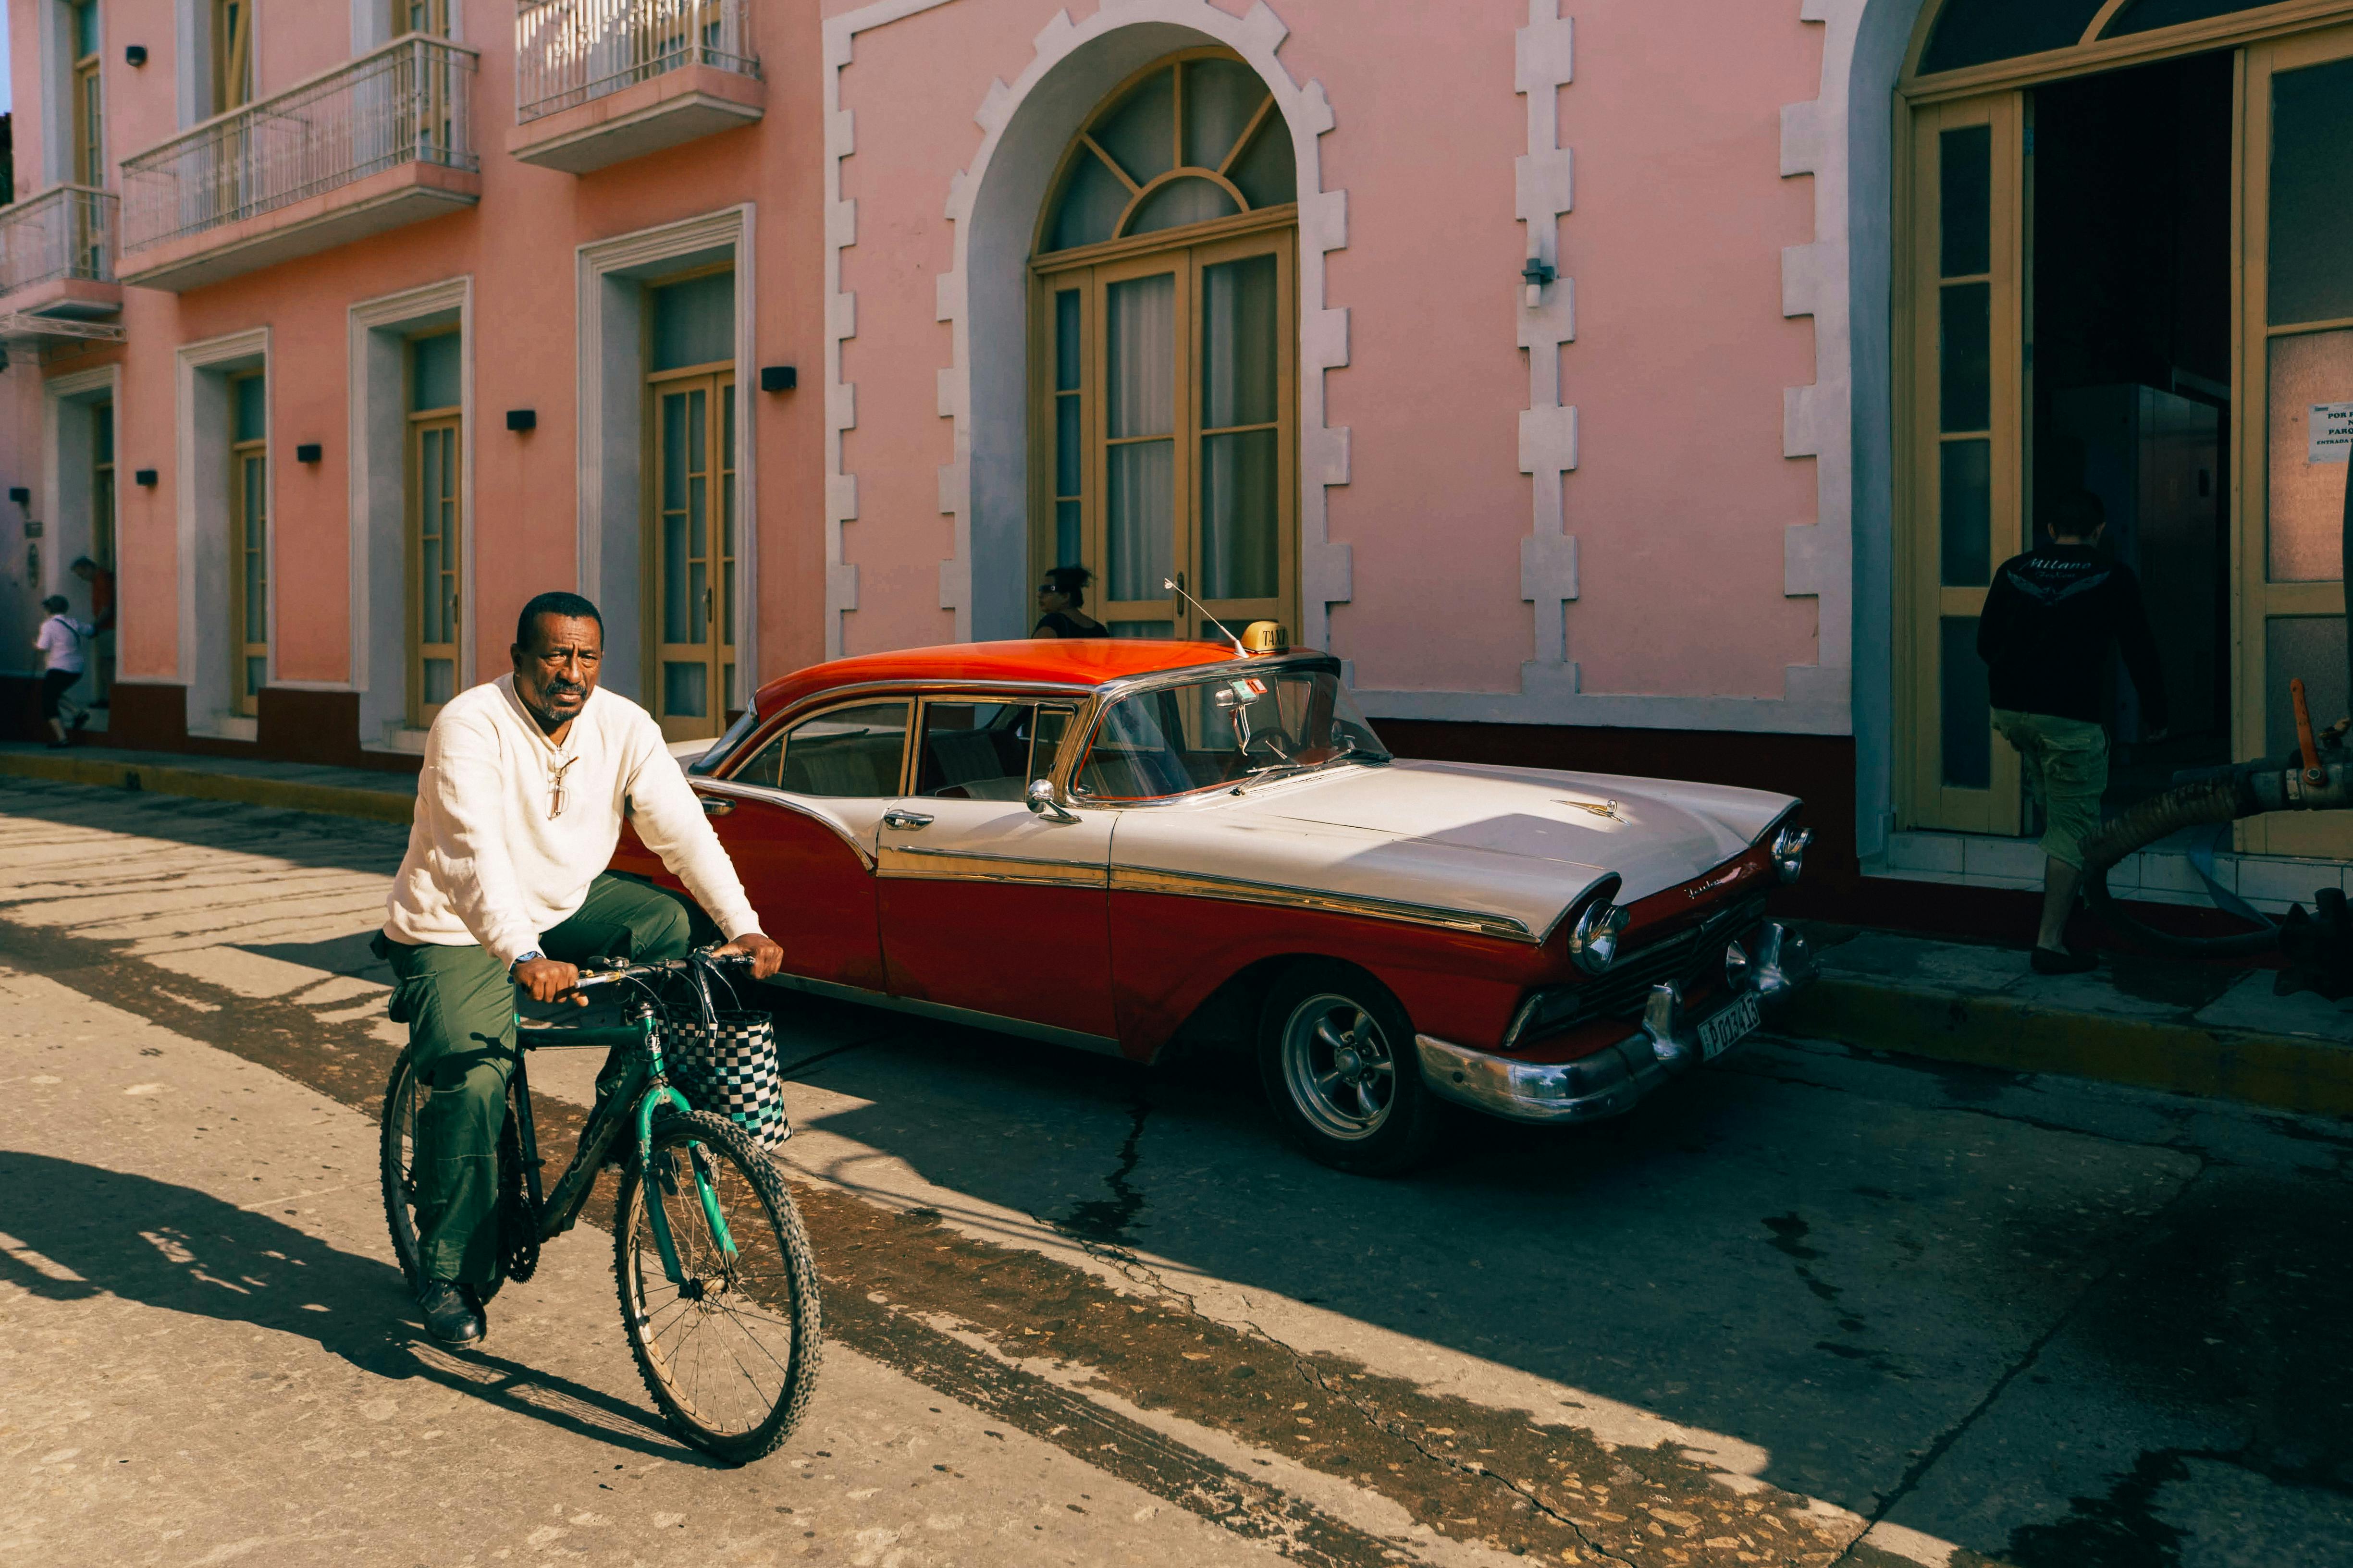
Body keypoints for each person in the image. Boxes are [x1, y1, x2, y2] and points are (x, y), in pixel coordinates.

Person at [375, 590, 785, 1347]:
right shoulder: (472, 724)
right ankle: (448, 1271)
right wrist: (523, 952)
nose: (573, 672)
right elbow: (471, 852)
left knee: (666, 921)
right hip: (456, 919)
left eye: (587, 656)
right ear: (520, 660)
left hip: (558, 901)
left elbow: (682, 831)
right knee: (474, 1075)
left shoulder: (624, 726)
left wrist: (744, 925)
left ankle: (634, 1114)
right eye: (556, 656)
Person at [1977, 491, 2168, 975]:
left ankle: (2066, 889)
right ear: (2099, 529)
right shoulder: (2112, 574)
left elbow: (1984, 643)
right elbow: (2138, 648)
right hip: (2068, 719)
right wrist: (2156, 713)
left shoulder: (2014, 568)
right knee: (2071, 829)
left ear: (2048, 528)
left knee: (2053, 803)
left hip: (2011, 713)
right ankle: (2050, 943)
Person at [32, 595, 93, 749]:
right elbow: (90, 630)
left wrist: (34, 645)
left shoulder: (48, 626)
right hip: (77, 669)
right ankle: (77, 712)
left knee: (48, 702)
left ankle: (62, 738)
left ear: (49, 610)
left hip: (59, 668)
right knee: (53, 693)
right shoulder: (73, 622)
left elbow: (43, 647)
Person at [71, 556, 115, 706]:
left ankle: (111, 699)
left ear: (88, 568)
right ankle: (110, 697)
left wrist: (94, 627)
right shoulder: (99, 580)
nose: (82, 579)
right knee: (106, 664)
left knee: (107, 665)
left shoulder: (102, 580)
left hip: (109, 627)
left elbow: (106, 609)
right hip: (106, 627)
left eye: (82, 574)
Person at [1032, 565, 1108, 637]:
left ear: (1065, 596)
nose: (1039, 595)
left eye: (1047, 589)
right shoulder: (1100, 630)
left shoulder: (1052, 622)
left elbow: (1039, 651)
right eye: (1040, 589)